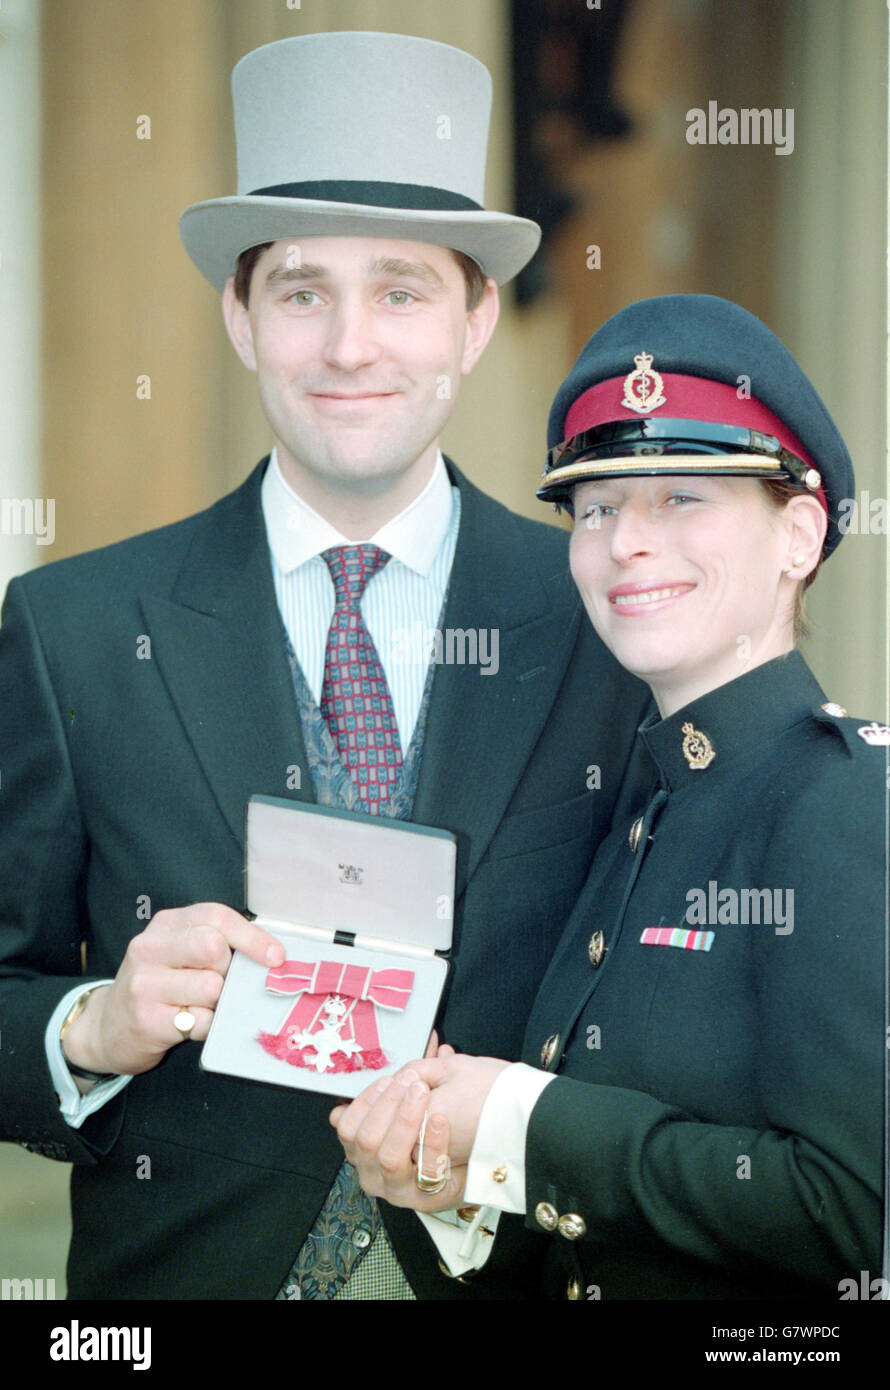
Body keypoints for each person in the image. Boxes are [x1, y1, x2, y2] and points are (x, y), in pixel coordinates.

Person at [0, 33, 648, 1301]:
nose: (350, 345)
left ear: (472, 322)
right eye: (301, 291)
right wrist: (91, 1026)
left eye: (401, 290)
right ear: (239, 318)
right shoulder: (69, 625)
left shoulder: (606, 618)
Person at [333, 293, 888, 1300]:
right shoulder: (641, 799)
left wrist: (517, 1117)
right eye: (594, 508)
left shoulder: (845, 805)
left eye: (681, 498)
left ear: (796, 536)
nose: (626, 541)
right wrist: (456, 1173)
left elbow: (847, 1212)